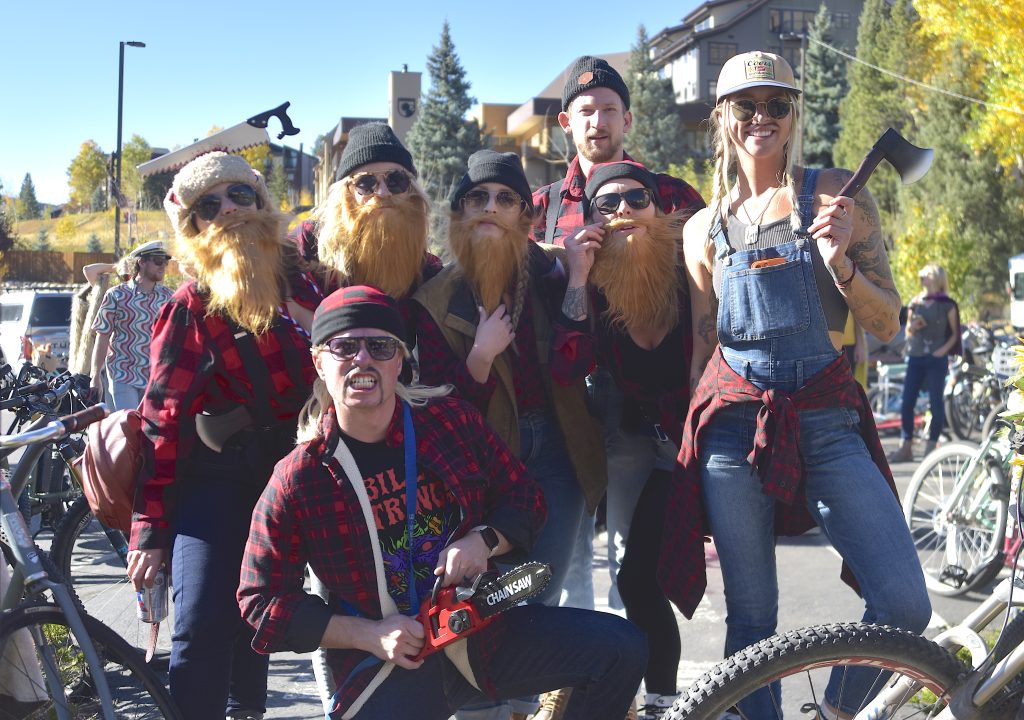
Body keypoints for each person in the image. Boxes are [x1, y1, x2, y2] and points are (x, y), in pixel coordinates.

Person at [658, 51, 931, 720]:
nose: (762, 117)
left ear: (794, 114)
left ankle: (839, 708)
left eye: (776, 104)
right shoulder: (701, 230)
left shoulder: (837, 195)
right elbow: (704, 347)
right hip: (732, 433)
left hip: (827, 421)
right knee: (752, 621)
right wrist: (683, 450)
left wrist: (841, 265)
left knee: (904, 604)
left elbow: (888, 323)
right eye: (745, 105)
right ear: (721, 117)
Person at [237, 285, 647, 720]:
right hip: (389, 663)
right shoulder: (300, 477)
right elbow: (260, 600)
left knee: (622, 648)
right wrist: (367, 634)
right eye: (345, 347)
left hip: (481, 635)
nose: (363, 360)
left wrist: (483, 540)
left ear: (399, 361)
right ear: (320, 362)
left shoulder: (448, 422)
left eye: (380, 347)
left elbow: (525, 497)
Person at [125, 152, 323, 720]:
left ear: (261, 202)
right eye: (209, 206)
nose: (229, 211)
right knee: (202, 622)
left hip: (295, 483)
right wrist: (149, 531)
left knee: (258, 621)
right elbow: (161, 421)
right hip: (216, 483)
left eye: (240, 195)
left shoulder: (305, 286)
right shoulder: (190, 307)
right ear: (194, 229)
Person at [413, 150, 607, 720]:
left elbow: (577, 362)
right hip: (485, 463)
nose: (490, 208)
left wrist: (577, 279)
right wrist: (479, 358)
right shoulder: (435, 300)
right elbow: (440, 412)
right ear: (459, 213)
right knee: (485, 599)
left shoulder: (550, 274)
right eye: (477, 198)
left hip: (558, 452)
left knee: (537, 589)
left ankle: (519, 709)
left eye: (505, 199)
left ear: (526, 215)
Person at [531, 55, 705, 623]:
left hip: (647, 404)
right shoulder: (542, 207)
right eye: (586, 110)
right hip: (567, 404)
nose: (598, 121)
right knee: (568, 551)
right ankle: (576, 668)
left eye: (609, 109)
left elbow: (711, 285)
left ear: (627, 119)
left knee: (634, 556)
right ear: (566, 122)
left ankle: (628, 663)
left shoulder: (671, 196)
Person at [554, 160, 693, 719]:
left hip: (701, 441)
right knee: (635, 577)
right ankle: (661, 703)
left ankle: (738, 693)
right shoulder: (596, 285)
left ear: (658, 207)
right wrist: (577, 279)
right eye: (607, 205)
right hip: (647, 445)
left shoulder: (688, 265)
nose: (624, 211)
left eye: (637, 199)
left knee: (733, 584)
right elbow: (568, 366)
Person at [290, 122, 441, 343]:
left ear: (411, 192)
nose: (383, 192)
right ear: (346, 195)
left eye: (395, 180)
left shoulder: (428, 271)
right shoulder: (309, 245)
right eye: (365, 183)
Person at [86, 241, 174, 410]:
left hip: (155, 378)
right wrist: (95, 376)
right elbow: (102, 336)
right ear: (142, 262)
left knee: (148, 426)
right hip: (122, 374)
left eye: (165, 262)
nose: (163, 266)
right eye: (158, 261)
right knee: (129, 423)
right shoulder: (116, 295)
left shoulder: (168, 297)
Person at [888, 264, 960, 462]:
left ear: (937, 278)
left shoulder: (947, 304)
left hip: (936, 358)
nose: (922, 278)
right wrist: (913, 325)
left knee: (936, 403)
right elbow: (908, 331)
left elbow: (955, 334)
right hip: (916, 356)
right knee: (907, 402)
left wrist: (942, 351)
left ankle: (931, 447)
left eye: (927, 275)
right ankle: (906, 446)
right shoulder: (916, 302)